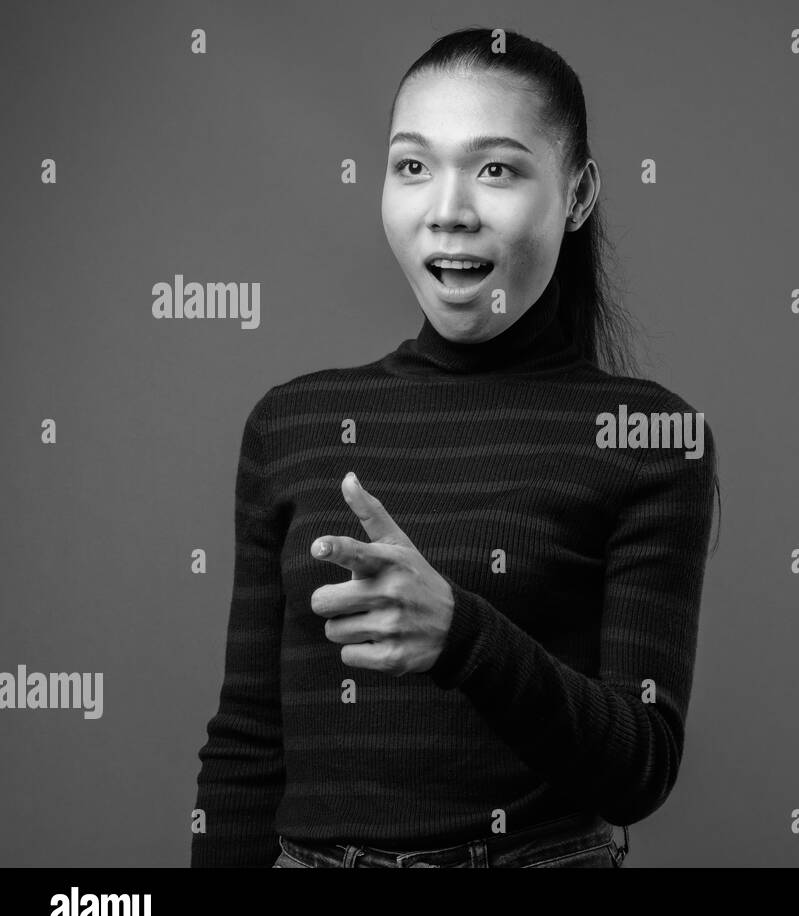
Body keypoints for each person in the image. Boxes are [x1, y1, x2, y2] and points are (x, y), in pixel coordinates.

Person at [191, 26, 721, 868]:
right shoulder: (291, 424)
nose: (448, 209)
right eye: (413, 165)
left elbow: (640, 767)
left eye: (497, 168)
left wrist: (462, 635)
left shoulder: (651, 441)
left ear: (578, 195)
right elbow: (248, 743)